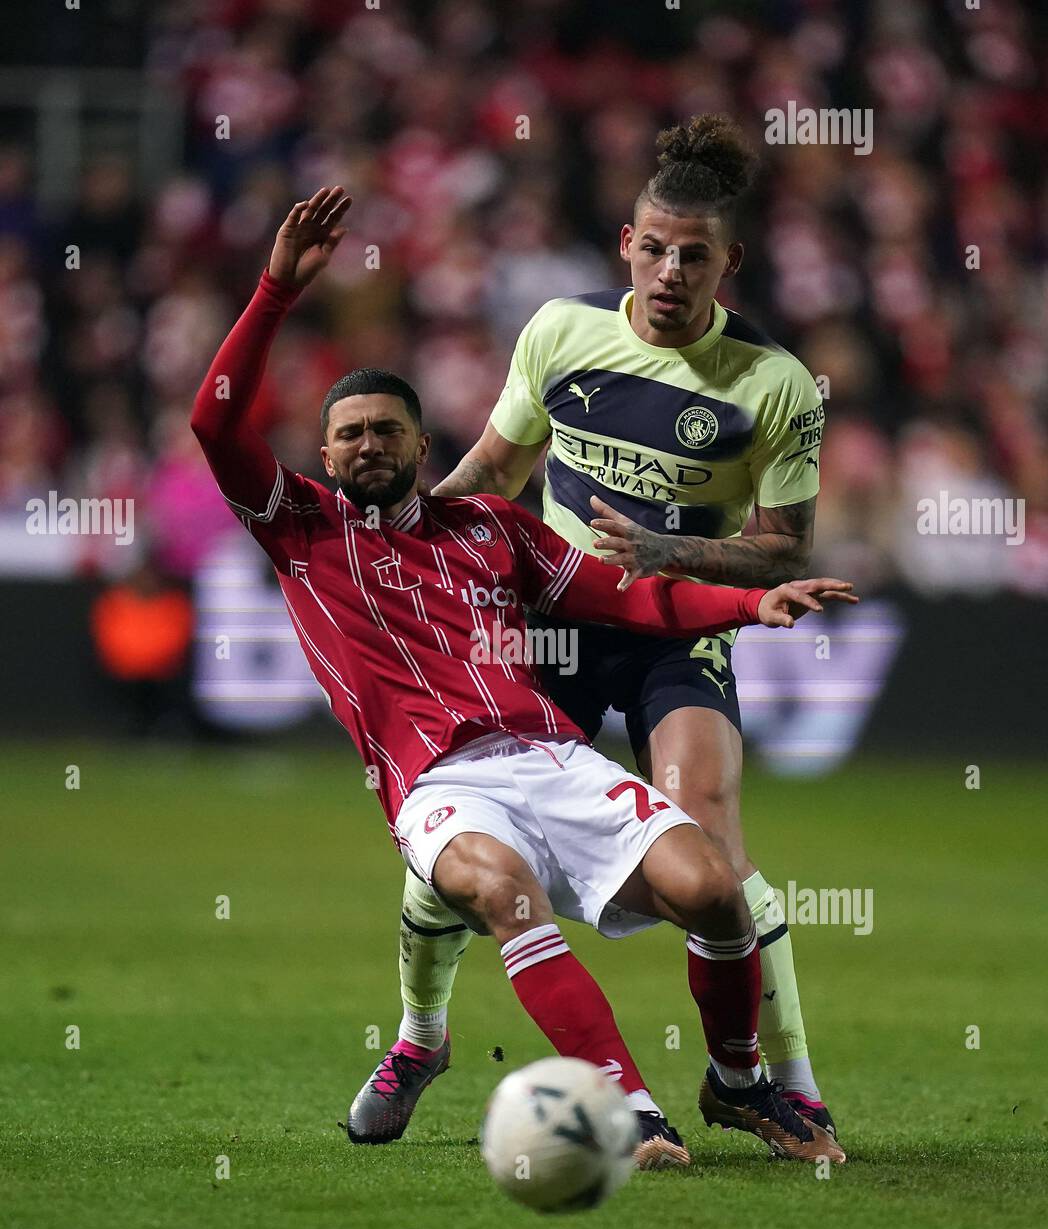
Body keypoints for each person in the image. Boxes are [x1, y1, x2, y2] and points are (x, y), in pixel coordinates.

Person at [190, 186, 855, 1169]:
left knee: (714, 887)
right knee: (502, 894)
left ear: (426, 448)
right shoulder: (302, 529)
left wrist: (749, 605)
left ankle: (742, 1078)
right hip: (438, 786)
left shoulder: (491, 529)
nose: (369, 444)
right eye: (350, 434)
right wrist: (275, 293)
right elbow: (214, 424)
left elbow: (631, 601)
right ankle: (622, 1106)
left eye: (388, 430)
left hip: (546, 750)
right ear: (323, 456)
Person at [353, 113, 843, 1154]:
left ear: (730, 262)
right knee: (464, 826)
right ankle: (418, 1035)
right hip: (555, 617)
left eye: (694, 255)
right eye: (653, 248)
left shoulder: (777, 387)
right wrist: (408, 548)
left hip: (669, 625)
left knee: (708, 835)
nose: (670, 271)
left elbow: (781, 548)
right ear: (626, 244)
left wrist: (679, 559)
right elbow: (491, 468)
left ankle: (772, 1079)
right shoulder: (561, 332)